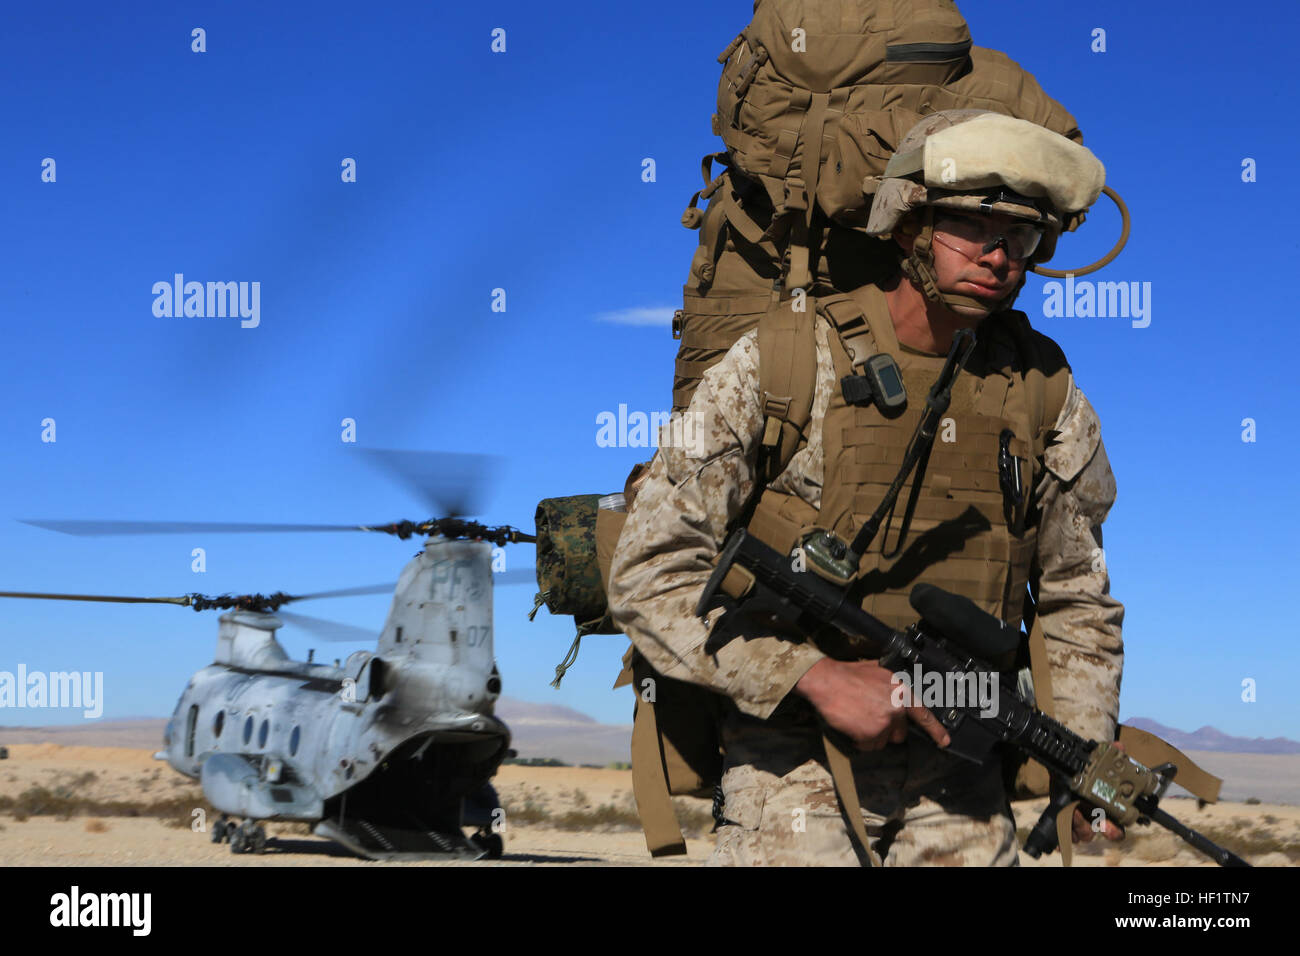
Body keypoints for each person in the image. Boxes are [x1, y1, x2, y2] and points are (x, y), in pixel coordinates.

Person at [607, 110, 1125, 866]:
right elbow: (649, 568)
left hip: (962, 771)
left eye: (1023, 235)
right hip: (794, 759)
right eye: (974, 227)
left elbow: (1078, 597)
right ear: (909, 226)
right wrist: (812, 675)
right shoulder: (786, 360)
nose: (999, 255)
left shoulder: (1044, 392)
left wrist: (1086, 762)